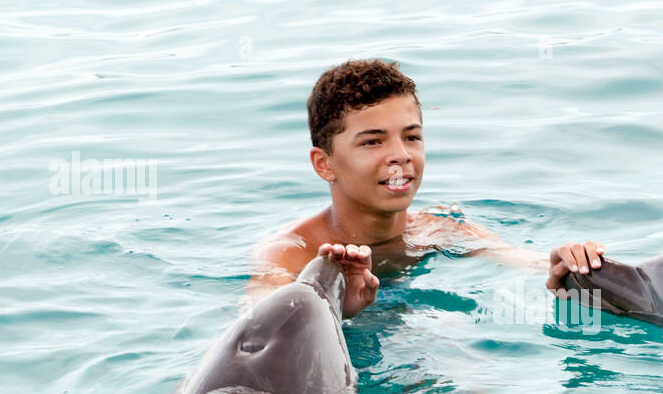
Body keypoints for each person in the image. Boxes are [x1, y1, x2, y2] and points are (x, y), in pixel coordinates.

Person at [247, 58, 607, 317]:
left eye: (412, 136)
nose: (401, 155)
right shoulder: (290, 255)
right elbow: (259, 329)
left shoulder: (441, 228)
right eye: (373, 142)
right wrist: (336, 311)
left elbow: (528, 264)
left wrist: (567, 266)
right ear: (324, 164)